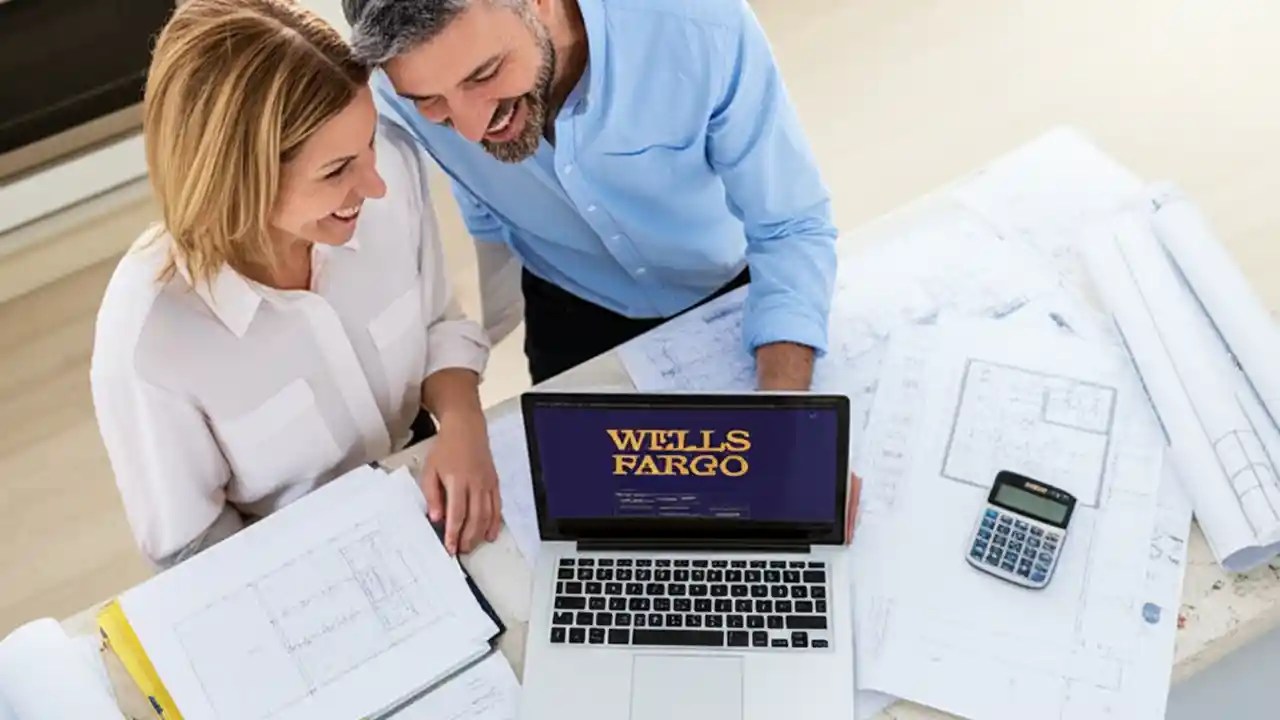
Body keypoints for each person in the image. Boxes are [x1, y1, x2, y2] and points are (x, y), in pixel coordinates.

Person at [90, 0, 501, 567]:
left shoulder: (391, 178)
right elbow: (192, 548)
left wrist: (463, 423)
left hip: (426, 477)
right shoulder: (150, 340)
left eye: (370, 144)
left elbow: (439, 325)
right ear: (237, 180)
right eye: (335, 171)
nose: (376, 185)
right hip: (290, 563)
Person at [342, 0, 837, 389]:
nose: (470, 130)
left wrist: (788, 414)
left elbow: (789, 225)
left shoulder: (695, 24)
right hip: (569, 307)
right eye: (430, 101)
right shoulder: (391, 98)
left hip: (734, 288)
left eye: (484, 74)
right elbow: (476, 194)